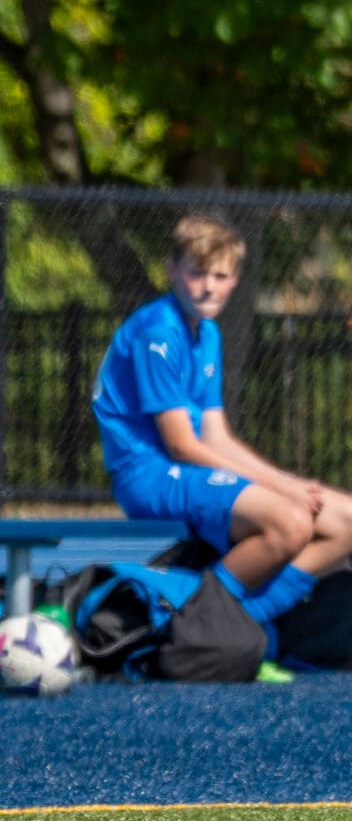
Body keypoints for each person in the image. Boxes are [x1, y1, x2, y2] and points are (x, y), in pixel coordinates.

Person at [93, 214, 352, 653]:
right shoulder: (158, 331)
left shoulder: (207, 332)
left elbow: (217, 437)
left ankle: (243, 627)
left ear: (234, 280)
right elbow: (181, 445)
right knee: (290, 523)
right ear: (171, 270)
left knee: (346, 521)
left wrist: (288, 482)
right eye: (197, 273)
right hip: (151, 474)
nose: (208, 287)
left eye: (220, 276)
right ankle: (190, 625)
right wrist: (282, 490)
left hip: (191, 468)